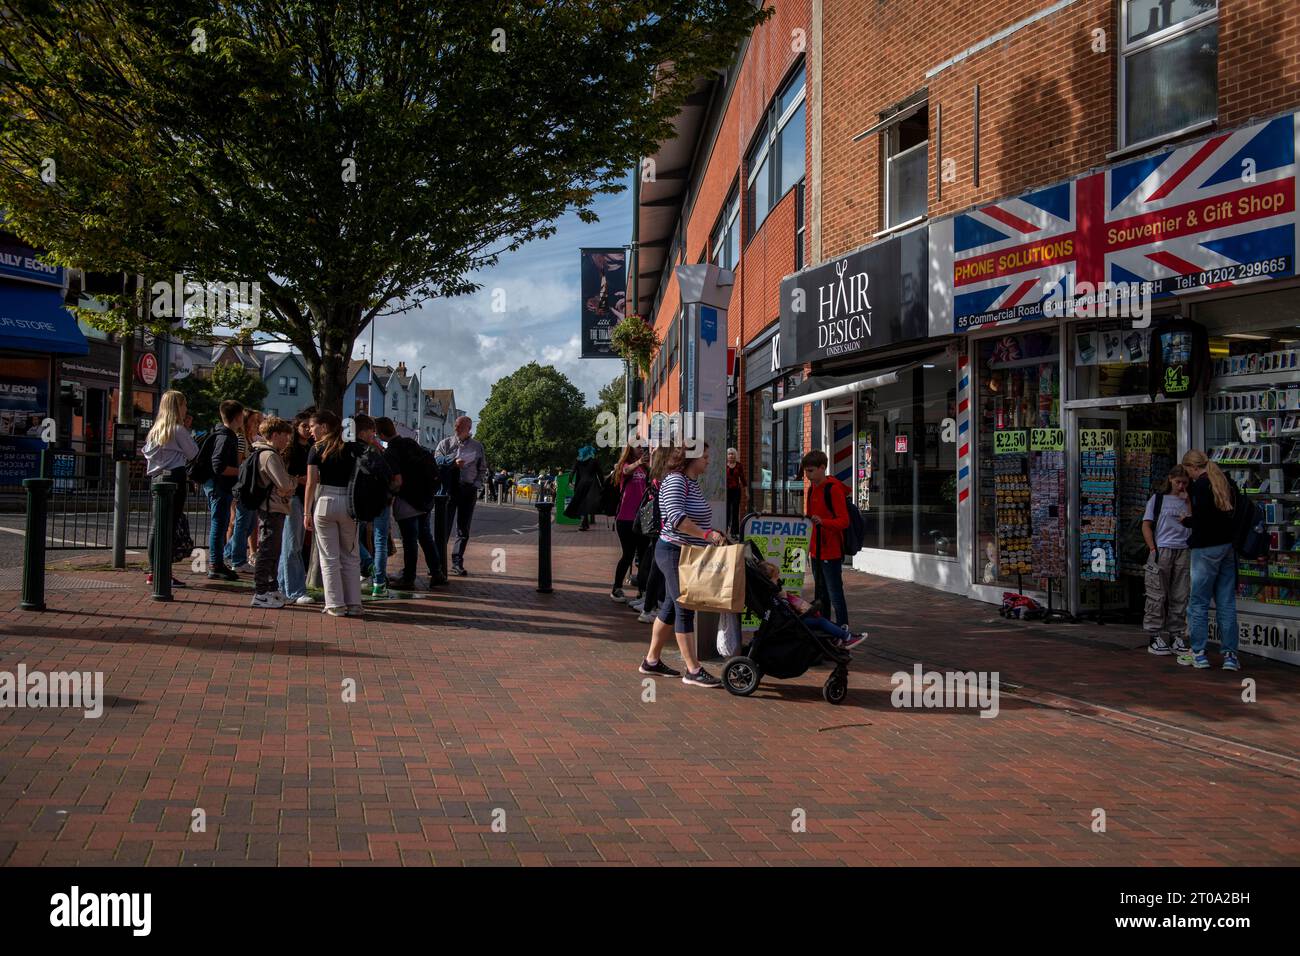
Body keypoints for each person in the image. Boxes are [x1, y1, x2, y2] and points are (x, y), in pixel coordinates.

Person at [638, 443, 724, 688]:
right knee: (684, 605)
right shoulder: (676, 481)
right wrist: (706, 535)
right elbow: (676, 519)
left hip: (685, 551)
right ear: (691, 458)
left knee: (670, 608)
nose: (708, 461)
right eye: (705, 457)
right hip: (673, 551)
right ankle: (693, 669)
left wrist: (709, 534)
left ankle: (651, 661)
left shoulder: (690, 482)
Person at [1178, 449, 1241, 671]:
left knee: (1199, 602)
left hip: (1205, 549)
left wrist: (1186, 521)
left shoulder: (1199, 487)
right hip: (1226, 547)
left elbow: (1202, 521)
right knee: (1226, 603)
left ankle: (1198, 652)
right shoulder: (1225, 483)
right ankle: (1230, 655)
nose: (1189, 476)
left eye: (1188, 471)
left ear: (1193, 467)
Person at [304, 410, 362, 617]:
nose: (310, 430)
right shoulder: (353, 448)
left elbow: (311, 483)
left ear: (324, 427)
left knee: (329, 557)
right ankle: (354, 602)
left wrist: (306, 512)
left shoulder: (317, 449)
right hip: (349, 502)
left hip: (325, 501)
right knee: (351, 555)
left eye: (313, 426)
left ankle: (335, 604)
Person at [142, 389, 199, 590]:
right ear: (177, 407)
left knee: (157, 526)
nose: (186, 409)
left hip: (157, 479)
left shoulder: (156, 430)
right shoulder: (178, 429)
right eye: (184, 405)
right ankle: (164, 572)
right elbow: (193, 452)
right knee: (170, 526)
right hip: (175, 477)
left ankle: (153, 570)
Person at [377, 416, 442, 591]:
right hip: (425, 498)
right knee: (426, 537)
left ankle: (408, 577)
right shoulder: (410, 443)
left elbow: (397, 481)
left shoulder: (391, 452)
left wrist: (389, 492)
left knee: (410, 541)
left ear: (381, 434)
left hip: (407, 501)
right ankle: (437, 572)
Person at [1142, 464, 1192, 656]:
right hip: (1162, 548)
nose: (1181, 486)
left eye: (1185, 483)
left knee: (1180, 593)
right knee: (1157, 593)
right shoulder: (1158, 499)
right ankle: (1154, 634)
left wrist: (1188, 502)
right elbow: (1146, 525)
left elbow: (1193, 520)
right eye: (1178, 482)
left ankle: (1176, 633)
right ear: (1170, 479)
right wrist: (1153, 548)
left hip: (1183, 549)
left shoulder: (1189, 500)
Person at [760, 561, 866, 648]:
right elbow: (785, 610)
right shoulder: (772, 596)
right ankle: (846, 637)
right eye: (775, 578)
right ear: (768, 580)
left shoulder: (770, 592)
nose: (778, 580)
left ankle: (838, 635)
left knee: (818, 618)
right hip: (790, 621)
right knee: (821, 622)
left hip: (790, 619)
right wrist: (784, 598)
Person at [250, 417, 297, 608]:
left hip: (274, 507)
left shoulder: (268, 453)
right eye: (285, 435)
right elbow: (284, 484)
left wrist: (287, 485)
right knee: (268, 551)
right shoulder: (269, 455)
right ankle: (261, 593)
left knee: (273, 551)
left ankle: (271, 589)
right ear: (275, 434)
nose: (287, 440)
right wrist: (292, 483)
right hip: (271, 508)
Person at [802, 449, 851, 628]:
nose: (807, 475)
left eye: (811, 471)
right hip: (816, 550)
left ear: (822, 468)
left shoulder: (833, 489)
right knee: (821, 594)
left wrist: (824, 522)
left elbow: (844, 521)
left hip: (831, 550)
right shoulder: (811, 489)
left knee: (834, 593)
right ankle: (826, 628)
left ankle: (843, 629)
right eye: (806, 471)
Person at [435, 415, 488, 576]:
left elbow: (482, 469)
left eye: (460, 426)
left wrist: (476, 485)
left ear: (469, 428)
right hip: (448, 490)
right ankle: (438, 562)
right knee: (444, 527)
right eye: (456, 426)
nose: (456, 428)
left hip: (467, 489)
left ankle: (457, 562)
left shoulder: (477, 446)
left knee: (463, 529)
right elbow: (436, 460)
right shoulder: (446, 443)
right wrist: (453, 460)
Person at [630, 446, 672, 623]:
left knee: (655, 565)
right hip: (661, 528)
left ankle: (650, 605)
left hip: (656, 527)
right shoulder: (665, 477)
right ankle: (651, 606)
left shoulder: (656, 474)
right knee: (657, 567)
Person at [204, 400, 245, 581]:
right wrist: (241, 471)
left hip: (220, 486)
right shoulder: (225, 437)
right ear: (237, 417)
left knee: (220, 525)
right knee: (219, 525)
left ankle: (218, 562)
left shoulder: (225, 434)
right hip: (219, 487)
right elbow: (218, 466)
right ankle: (216, 564)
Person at [279, 410, 315, 605]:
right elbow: (282, 476)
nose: (309, 430)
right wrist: (298, 480)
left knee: (294, 545)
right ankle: (293, 589)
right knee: (292, 545)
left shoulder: (310, 447)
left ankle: (284, 586)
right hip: (293, 498)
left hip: (303, 499)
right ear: (296, 427)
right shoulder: (290, 449)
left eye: (310, 426)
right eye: (305, 426)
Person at [225, 409, 263, 572]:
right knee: (241, 523)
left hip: (250, 486)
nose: (257, 425)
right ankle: (237, 560)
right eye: (254, 421)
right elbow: (239, 462)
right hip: (243, 486)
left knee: (248, 525)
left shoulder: (250, 439)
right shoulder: (241, 439)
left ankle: (228, 552)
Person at [611, 443, 649, 602]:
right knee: (628, 554)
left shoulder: (644, 468)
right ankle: (616, 588)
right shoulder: (625, 466)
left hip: (642, 518)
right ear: (630, 449)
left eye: (643, 447)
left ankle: (643, 591)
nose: (641, 449)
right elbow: (625, 471)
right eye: (638, 446)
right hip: (625, 519)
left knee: (644, 556)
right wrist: (639, 463)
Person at [566, 445, 604, 531]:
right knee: (589, 502)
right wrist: (602, 484)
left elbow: (572, 472)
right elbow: (600, 474)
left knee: (583, 503)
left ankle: (584, 523)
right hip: (592, 484)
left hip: (581, 484)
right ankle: (584, 523)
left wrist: (570, 482)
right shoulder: (594, 461)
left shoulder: (578, 461)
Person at [725, 447, 745, 537]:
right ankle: (724, 530)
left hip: (736, 491)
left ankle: (734, 532)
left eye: (732, 454)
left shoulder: (739, 465)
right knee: (727, 511)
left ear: (735, 455)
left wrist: (747, 491)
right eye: (729, 454)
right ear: (727, 456)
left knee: (735, 511)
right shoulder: (724, 465)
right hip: (726, 491)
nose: (731, 456)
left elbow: (743, 479)